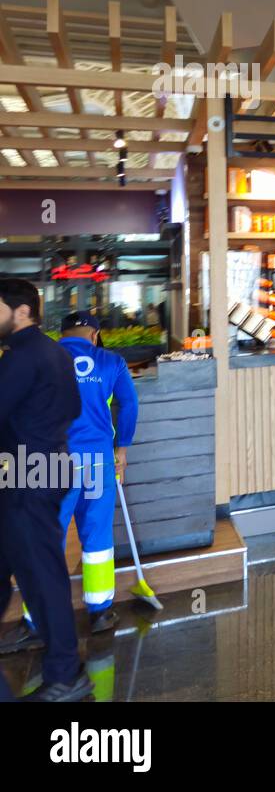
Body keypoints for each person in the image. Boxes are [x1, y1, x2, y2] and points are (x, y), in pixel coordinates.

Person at [6, 311, 138, 656]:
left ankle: (35, 622)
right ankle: (100, 612)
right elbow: (130, 404)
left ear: (61, 333)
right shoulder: (111, 361)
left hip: (49, 462)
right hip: (96, 462)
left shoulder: (40, 357)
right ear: (94, 335)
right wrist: (121, 450)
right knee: (97, 538)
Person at [0, 279, 91, 701]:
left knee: (42, 574)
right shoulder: (55, 352)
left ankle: (66, 675)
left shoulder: (20, 358)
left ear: (20, 312)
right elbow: (72, 409)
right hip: (46, 466)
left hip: (25, 475)